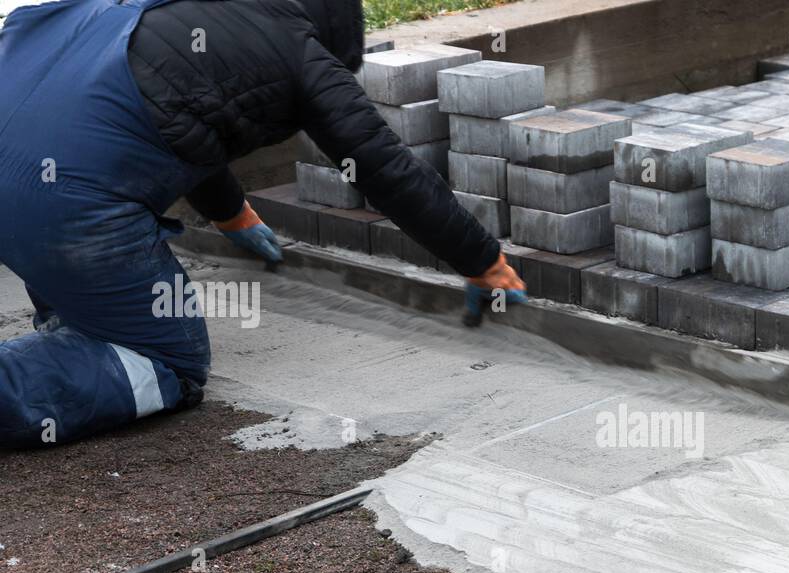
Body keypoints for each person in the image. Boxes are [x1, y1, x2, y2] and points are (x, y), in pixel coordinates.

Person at [0, 0, 524, 449]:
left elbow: (183, 113)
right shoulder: (299, 51)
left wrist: (232, 214)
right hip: (57, 203)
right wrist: (484, 262)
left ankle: (80, 321)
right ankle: (81, 347)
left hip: (29, 163)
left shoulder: (186, 15)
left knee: (68, 234)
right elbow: (385, 169)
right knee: (166, 363)